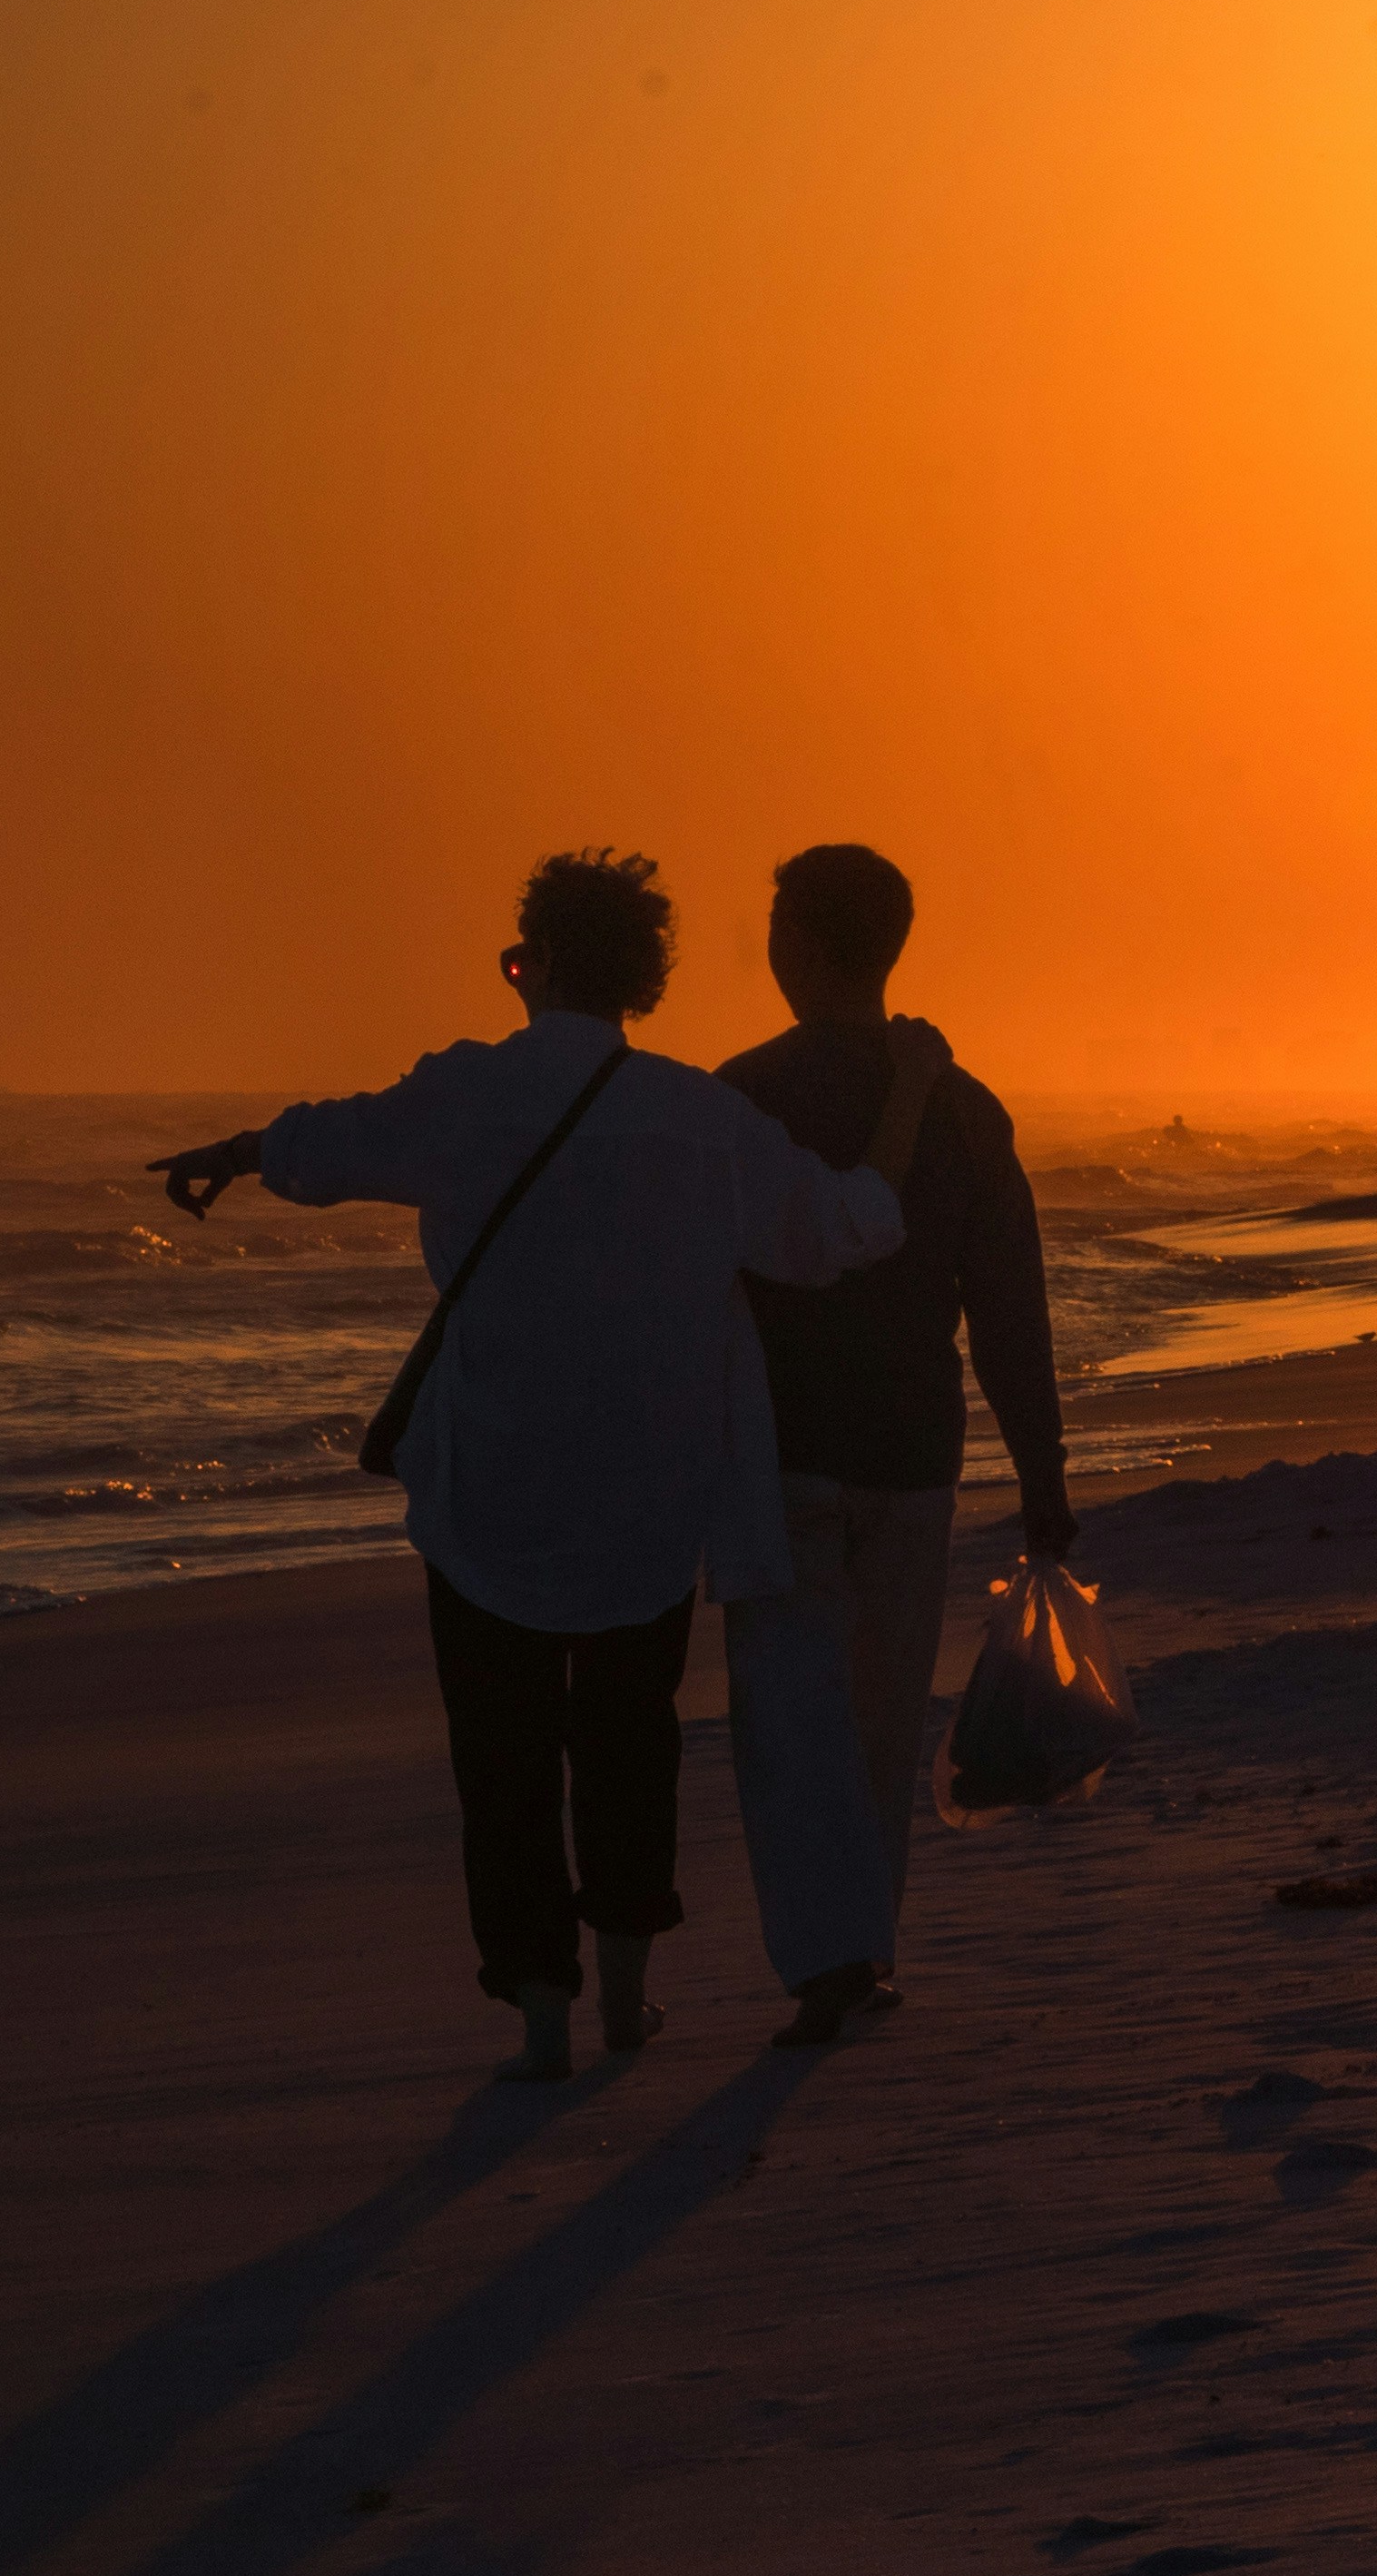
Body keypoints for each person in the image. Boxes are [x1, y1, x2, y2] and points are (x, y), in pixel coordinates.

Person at [151, 847, 931, 2078]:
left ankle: (540, 2012)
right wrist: (910, 1099)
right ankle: (626, 1999)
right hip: (645, 1505)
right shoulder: (701, 1120)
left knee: (500, 1758)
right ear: (640, 978)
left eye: (516, 961)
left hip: (488, 1496)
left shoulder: (465, 1095)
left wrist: (235, 1152)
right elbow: (845, 1228)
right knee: (627, 1744)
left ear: (541, 964)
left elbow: (326, 1150)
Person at [716, 844, 1076, 2040]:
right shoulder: (966, 1113)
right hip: (915, 1455)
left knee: (786, 1721)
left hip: (783, 1457)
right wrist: (1041, 1470)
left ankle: (826, 1955)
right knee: (877, 1717)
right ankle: (863, 1947)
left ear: (802, 946)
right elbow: (1005, 1306)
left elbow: (696, 1293)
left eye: (774, 925)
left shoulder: (742, 1099)